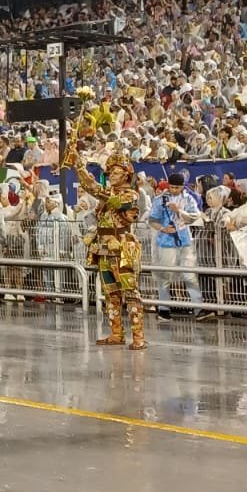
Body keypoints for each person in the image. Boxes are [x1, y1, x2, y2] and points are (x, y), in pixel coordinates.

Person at [68, 149, 146, 349]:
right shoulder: (107, 195)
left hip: (122, 248)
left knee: (130, 293)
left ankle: (138, 337)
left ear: (126, 175)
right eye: (110, 172)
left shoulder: (130, 195)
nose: (111, 175)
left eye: (116, 172)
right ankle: (116, 333)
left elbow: (101, 193)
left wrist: (80, 168)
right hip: (103, 248)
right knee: (111, 294)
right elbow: (96, 193)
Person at [148, 172, 214, 320]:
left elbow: (194, 216)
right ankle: (163, 309)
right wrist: (163, 229)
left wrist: (179, 211)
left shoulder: (188, 199)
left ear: (182, 187)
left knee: (190, 275)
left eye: (177, 187)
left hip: (184, 240)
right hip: (166, 242)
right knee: (165, 276)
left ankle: (198, 309)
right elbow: (152, 220)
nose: (174, 190)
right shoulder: (159, 200)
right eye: (172, 187)